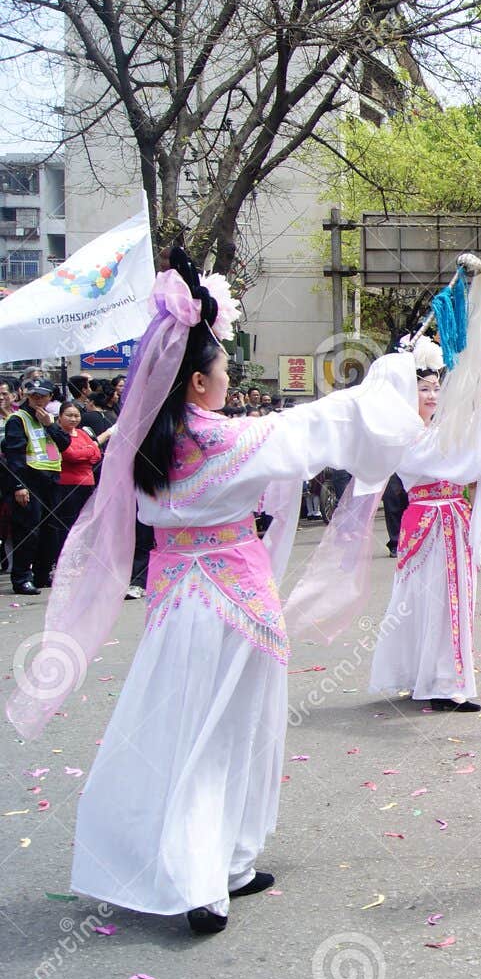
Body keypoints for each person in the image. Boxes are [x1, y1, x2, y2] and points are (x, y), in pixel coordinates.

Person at [40, 247, 422, 936]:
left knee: (183, 729)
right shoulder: (221, 440)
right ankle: (204, 876)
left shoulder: (147, 446)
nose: (228, 378)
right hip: (234, 604)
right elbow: (318, 426)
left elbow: (300, 432)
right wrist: (394, 373)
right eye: (222, 368)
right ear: (195, 382)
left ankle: (225, 862)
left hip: (177, 603)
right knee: (226, 736)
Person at [368, 333, 481, 713]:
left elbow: (465, 451)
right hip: (428, 524)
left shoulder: (436, 434)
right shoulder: (405, 437)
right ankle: (437, 681)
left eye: (434, 388)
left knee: (452, 601)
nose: (431, 395)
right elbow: (450, 453)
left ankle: (440, 679)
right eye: (423, 389)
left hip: (452, 522)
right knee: (428, 602)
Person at [2, 377, 65, 595]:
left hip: (51, 481)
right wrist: (19, 485)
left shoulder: (49, 419)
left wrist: (50, 426)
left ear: (50, 397)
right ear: (27, 396)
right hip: (29, 481)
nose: (38, 399)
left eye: (42, 395)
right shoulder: (18, 419)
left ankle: (42, 574)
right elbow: (14, 456)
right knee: (28, 531)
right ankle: (21, 578)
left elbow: (64, 444)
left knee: (50, 530)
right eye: (34, 395)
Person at [52, 402, 101, 540]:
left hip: (87, 483)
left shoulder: (82, 433)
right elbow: (70, 455)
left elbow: (97, 454)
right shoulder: (57, 435)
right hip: (67, 485)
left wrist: (82, 453)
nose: (73, 419)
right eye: (69, 415)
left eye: (76, 415)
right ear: (60, 417)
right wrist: (88, 451)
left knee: (86, 522)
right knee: (68, 523)